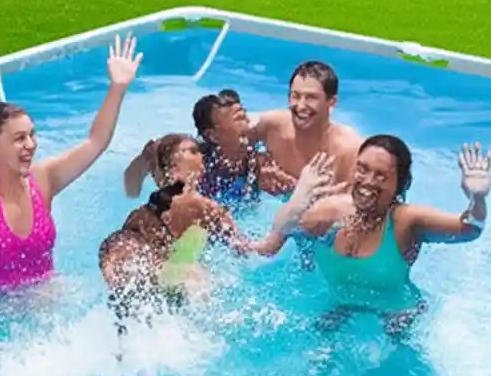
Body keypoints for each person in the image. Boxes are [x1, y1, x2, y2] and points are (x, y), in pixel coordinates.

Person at [0, 15, 143, 289]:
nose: (31, 145)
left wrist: (117, 88)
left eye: (32, 135)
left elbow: (95, 143)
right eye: (19, 138)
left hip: (43, 306)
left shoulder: (43, 180)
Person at [259, 135, 491, 333]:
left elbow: (470, 229)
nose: (368, 182)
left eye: (381, 176)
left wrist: (478, 198)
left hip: (397, 316)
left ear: (400, 184)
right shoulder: (329, 211)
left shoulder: (406, 221)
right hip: (339, 307)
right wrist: (298, 199)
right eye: (362, 169)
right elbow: (273, 240)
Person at [101, 133, 258, 327]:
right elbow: (242, 247)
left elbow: (136, 180)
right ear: (173, 167)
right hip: (130, 250)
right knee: (196, 282)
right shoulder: (201, 205)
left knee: (133, 310)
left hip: (122, 251)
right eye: (191, 151)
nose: (199, 154)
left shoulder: (172, 196)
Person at [122, 89, 294, 206]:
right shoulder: (195, 161)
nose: (247, 123)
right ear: (213, 135)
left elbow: (292, 192)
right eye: (238, 119)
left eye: (244, 116)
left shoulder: (256, 164)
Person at [248, 61, 365, 186]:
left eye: (311, 97)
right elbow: (229, 127)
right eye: (295, 96)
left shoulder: (349, 149)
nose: (301, 106)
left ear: (332, 102)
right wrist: (254, 166)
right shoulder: (271, 126)